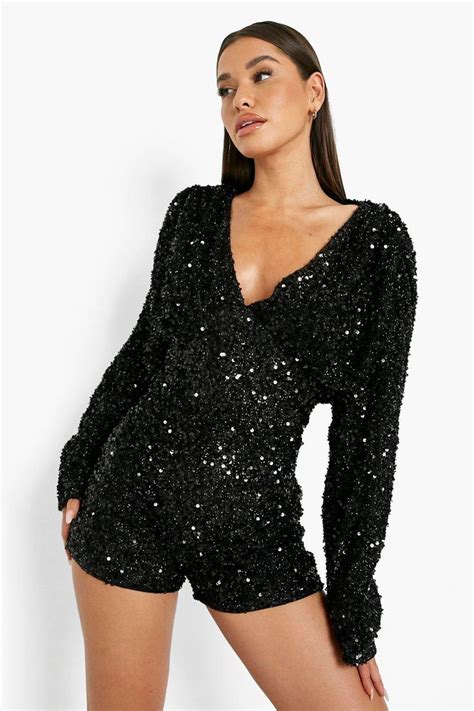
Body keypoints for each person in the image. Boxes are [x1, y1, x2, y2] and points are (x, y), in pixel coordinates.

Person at [58, 20, 417, 710]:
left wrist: (353, 604)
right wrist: (79, 465)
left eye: (260, 76)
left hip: (253, 526)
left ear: (314, 92)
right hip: (128, 501)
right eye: (224, 89)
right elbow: (143, 355)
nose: (239, 100)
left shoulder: (375, 244)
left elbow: (367, 437)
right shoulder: (194, 215)